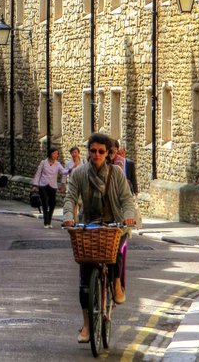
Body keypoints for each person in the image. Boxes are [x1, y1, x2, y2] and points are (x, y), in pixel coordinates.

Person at [63, 132, 136, 345]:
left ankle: (115, 283)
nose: (96, 154)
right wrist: (69, 217)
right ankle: (87, 325)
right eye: (93, 151)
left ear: (108, 154)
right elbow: (70, 198)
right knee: (85, 279)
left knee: (117, 247)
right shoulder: (79, 173)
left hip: (114, 222)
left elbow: (126, 199)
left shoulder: (116, 174)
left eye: (101, 151)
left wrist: (129, 216)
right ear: (88, 152)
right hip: (88, 224)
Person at [32, 145, 67, 228]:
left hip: (53, 186)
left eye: (57, 154)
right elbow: (38, 173)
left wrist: (70, 170)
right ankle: (46, 222)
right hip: (43, 185)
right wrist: (35, 185)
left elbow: (64, 172)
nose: (56, 155)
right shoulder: (43, 162)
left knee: (52, 203)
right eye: (54, 153)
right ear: (50, 154)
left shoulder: (58, 164)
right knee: (45, 202)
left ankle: (49, 221)